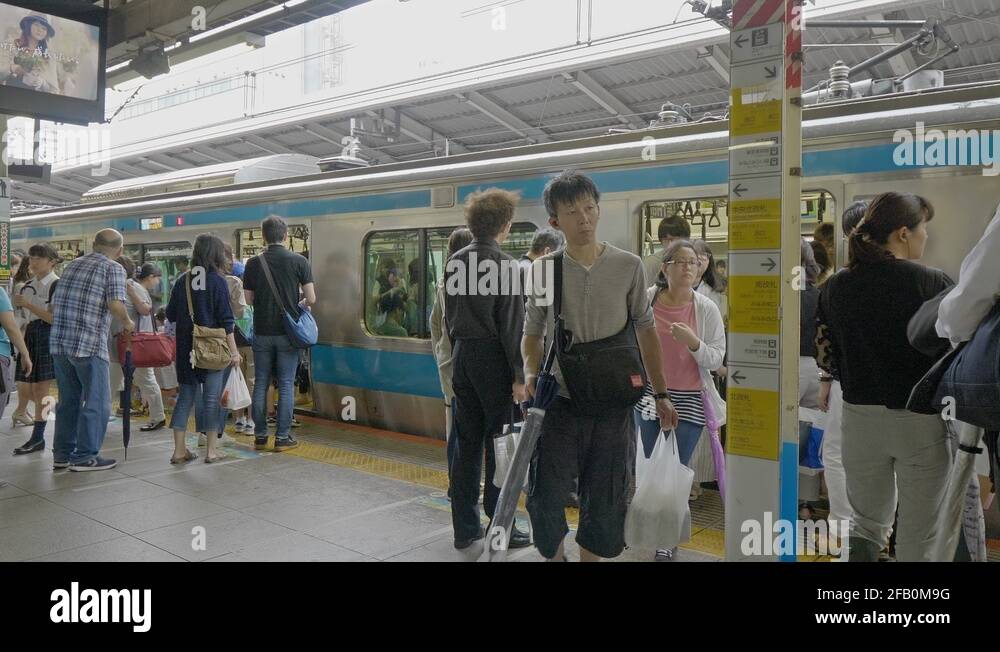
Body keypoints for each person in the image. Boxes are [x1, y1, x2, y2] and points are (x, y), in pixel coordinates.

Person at [523, 170, 679, 562]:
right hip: (560, 397)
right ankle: (555, 555)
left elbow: (647, 333)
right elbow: (531, 332)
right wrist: (528, 374)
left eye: (590, 208)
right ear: (554, 221)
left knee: (608, 492)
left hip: (613, 400)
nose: (585, 219)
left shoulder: (628, 266)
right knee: (544, 492)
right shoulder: (545, 270)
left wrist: (661, 393)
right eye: (572, 212)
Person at [816, 192, 952, 562]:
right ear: (904, 233)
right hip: (919, 422)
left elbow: (828, 352)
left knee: (866, 526)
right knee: (918, 535)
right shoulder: (931, 283)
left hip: (859, 420)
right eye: (924, 229)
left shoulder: (836, 286)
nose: (926, 236)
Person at [444, 188, 532, 550]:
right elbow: (513, 324)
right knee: (502, 447)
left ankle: (465, 529)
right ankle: (501, 527)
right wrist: (519, 375)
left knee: (466, 447)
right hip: (495, 360)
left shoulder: (454, 261)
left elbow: (450, 318)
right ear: (505, 227)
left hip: (463, 357)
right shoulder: (505, 266)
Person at [635, 239, 726, 560]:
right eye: (681, 261)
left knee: (676, 469)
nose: (689, 267)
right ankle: (648, 526)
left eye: (695, 262)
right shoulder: (646, 301)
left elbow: (715, 358)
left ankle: (667, 539)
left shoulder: (706, 308)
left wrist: (693, 342)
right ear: (665, 268)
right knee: (650, 463)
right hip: (648, 396)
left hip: (690, 399)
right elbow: (630, 344)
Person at [50, 229, 134, 472]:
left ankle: (62, 454)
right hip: (89, 344)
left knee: (68, 401)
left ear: (94, 244)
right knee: (97, 401)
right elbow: (114, 303)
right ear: (120, 251)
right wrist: (128, 322)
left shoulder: (73, 265)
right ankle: (85, 456)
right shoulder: (114, 268)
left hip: (60, 343)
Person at [816, 200, 867, 550]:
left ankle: (842, 527)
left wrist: (826, 378)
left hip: (846, 383)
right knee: (884, 460)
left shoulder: (837, 285)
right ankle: (877, 533)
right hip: (897, 390)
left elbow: (826, 337)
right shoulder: (923, 277)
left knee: (835, 452)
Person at [164, 234, 241, 464]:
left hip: (187, 348)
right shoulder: (218, 281)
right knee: (211, 399)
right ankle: (211, 452)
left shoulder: (183, 280)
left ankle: (179, 451)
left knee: (185, 397)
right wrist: (234, 352)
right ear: (215, 254)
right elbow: (227, 322)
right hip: (212, 349)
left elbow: (169, 314)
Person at [243, 215, 315, 452]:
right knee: (285, 383)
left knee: (261, 382)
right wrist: (298, 304)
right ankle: (283, 438)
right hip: (288, 333)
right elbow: (311, 298)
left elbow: (248, 300)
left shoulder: (253, 263)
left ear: (263, 236)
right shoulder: (298, 261)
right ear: (285, 236)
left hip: (262, 332)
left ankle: (260, 436)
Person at [430, 227, 474, 496]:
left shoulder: (443, 283)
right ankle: (459, 485)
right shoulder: (472, 282)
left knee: (455, 428)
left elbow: (435, 324)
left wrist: (441, 353)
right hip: (464, 367)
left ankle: (455, 482)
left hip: (449, 365)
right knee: (463, 431)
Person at [10, 243, 60, 455]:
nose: (33, 261)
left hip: (47, 335)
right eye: (32, 257)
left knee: (41, 391)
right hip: (29, 335)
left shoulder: (57, 285)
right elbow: (21, 319)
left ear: (52, 261)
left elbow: (53, 318)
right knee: (27, 388)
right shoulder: (27, 285)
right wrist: (22, 347)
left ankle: (38, 437)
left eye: (39, 257)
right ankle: (50, 418)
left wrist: (28, 305)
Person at [109, 260, 167, 432]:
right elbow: (144, 310)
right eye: (157, 278)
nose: (158, 283)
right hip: (131, 344)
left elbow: (144, 310)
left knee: (114, 381)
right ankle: (158, 417)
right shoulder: (132, 287)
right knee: (140, 380)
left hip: (129, 344)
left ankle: (158, 416)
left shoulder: (131, 287)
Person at [222, 244, 254, 435]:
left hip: (225, 340)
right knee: (251, 379)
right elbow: (242, 310)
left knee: (232, 378)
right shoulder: (236, 280)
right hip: (246, 336)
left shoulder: (208, 279)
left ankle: (238, 419)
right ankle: (251, 420)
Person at [0, 13, 60, 93]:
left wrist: (42, 83)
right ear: (28, 24)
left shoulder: (48, 56)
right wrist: (12, 68)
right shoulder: (11, 44)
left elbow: (54, 90)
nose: (40, 30)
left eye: (44, 28)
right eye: (36, 25)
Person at [9, 253, 34, 426]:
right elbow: (22, 315)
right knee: (24, 374)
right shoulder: (22, 286)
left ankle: (22, 410)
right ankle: (21, 410)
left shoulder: (16, 284)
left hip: (20, 332)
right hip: (22, 333)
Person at [642, 214, 691, 288]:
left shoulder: (694, 261)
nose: (670, 244)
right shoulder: (651, 263)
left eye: (674, 239)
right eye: (666, 240)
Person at [691, 239, 727, 320]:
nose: (699, 258)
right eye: (695, 255)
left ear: (708, 262)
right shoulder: (675, 285)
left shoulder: (712, 290)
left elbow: (714, 321)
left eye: (703, 255)